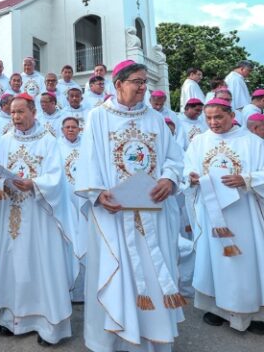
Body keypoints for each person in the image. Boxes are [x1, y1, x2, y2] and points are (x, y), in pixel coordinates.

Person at [75, 60, 185, 352]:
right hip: (114, 215)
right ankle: (114, 340)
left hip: (152, 211)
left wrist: (168, 178)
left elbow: (175, 158)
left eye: (144, 81)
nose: (142, 87)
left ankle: (153, 338)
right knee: (118, 275)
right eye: (136, 81)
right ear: (118, 84)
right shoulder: (98, 117)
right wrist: (98, 194)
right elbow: (87, 163)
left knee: (152, 270)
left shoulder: (156, 119)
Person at [184, 98, 264, 335]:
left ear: (231, 115)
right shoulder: (199, 142)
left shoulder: (252, 142)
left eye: (219, 117)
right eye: (209, 118)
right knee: (216, 261)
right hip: (212, 214)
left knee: (247, 261)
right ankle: (217, 309)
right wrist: (191, 178)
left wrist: (246, 179)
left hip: (245, 214)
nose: (213, 123)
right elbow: (188, 169)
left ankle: (255, 313)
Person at [0, 94, 77, 345]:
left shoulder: (49, 141)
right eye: (12, 113)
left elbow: (57, 179)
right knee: (13, 263)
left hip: (40, 216)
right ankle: (11, 319)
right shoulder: (4, 140)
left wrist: (34, 184)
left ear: (33, 112)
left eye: (21, 112)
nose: (16, 117)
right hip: (12, 215)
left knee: (41, 265)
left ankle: (49, 326)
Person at [57, 116, 86, 302]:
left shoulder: (87, 147)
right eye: (67, 127)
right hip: (64, 203)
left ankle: (82, 290)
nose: (70, 130)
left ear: (79, 129)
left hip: (82, 202)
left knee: (84, 242)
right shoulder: (56, 148)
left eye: (73, 127)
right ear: (62, 130)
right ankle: (66, 288)